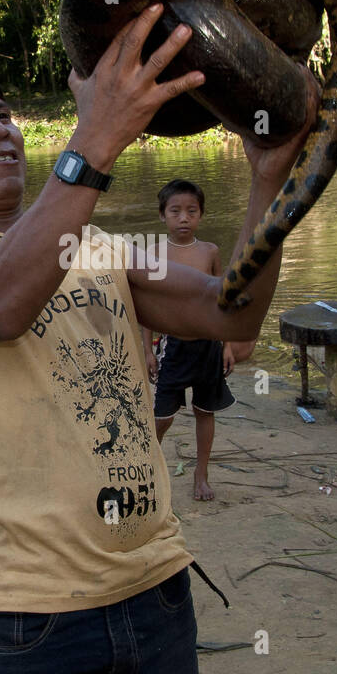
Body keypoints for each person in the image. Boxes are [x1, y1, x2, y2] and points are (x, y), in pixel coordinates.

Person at [0, 3, 317, 674]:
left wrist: (268, 181)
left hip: (159, 590)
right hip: (24, 621)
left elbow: (236, 315)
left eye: (1, 114)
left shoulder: (99, 246)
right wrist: (96, 138)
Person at [141, 179, 237, 502]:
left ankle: (201, 473)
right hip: (173, 345)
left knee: (204, 411)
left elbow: (219, 302)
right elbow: (148, 308)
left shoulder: (210, 251)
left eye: (191, 211)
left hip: (208, 343)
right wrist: (148, 351)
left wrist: (227, 346)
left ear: (201, 215)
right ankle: (148, 470)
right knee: (162, 416)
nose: (184, 218)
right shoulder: (154, 254)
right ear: (162, 216)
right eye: (175, 211)